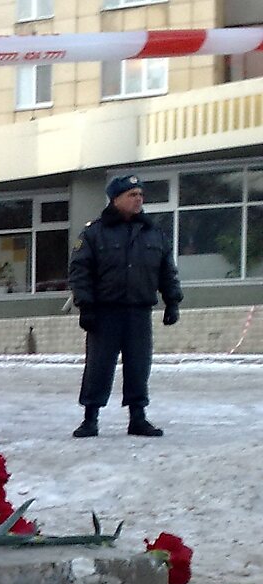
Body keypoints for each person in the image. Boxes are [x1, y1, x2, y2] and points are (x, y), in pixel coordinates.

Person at [68, 175, 182, 438]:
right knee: (99, 366)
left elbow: (167, 270)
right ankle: (90, 418)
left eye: (140, 194)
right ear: (116, 199)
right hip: (105, 311)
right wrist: (85, 306)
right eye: (132, 195)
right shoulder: (94, 233)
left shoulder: (153, 233)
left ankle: (138, 417)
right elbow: (80, 271)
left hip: (139, 311)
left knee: (139, 365)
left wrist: (172, 301)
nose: (138, 199)